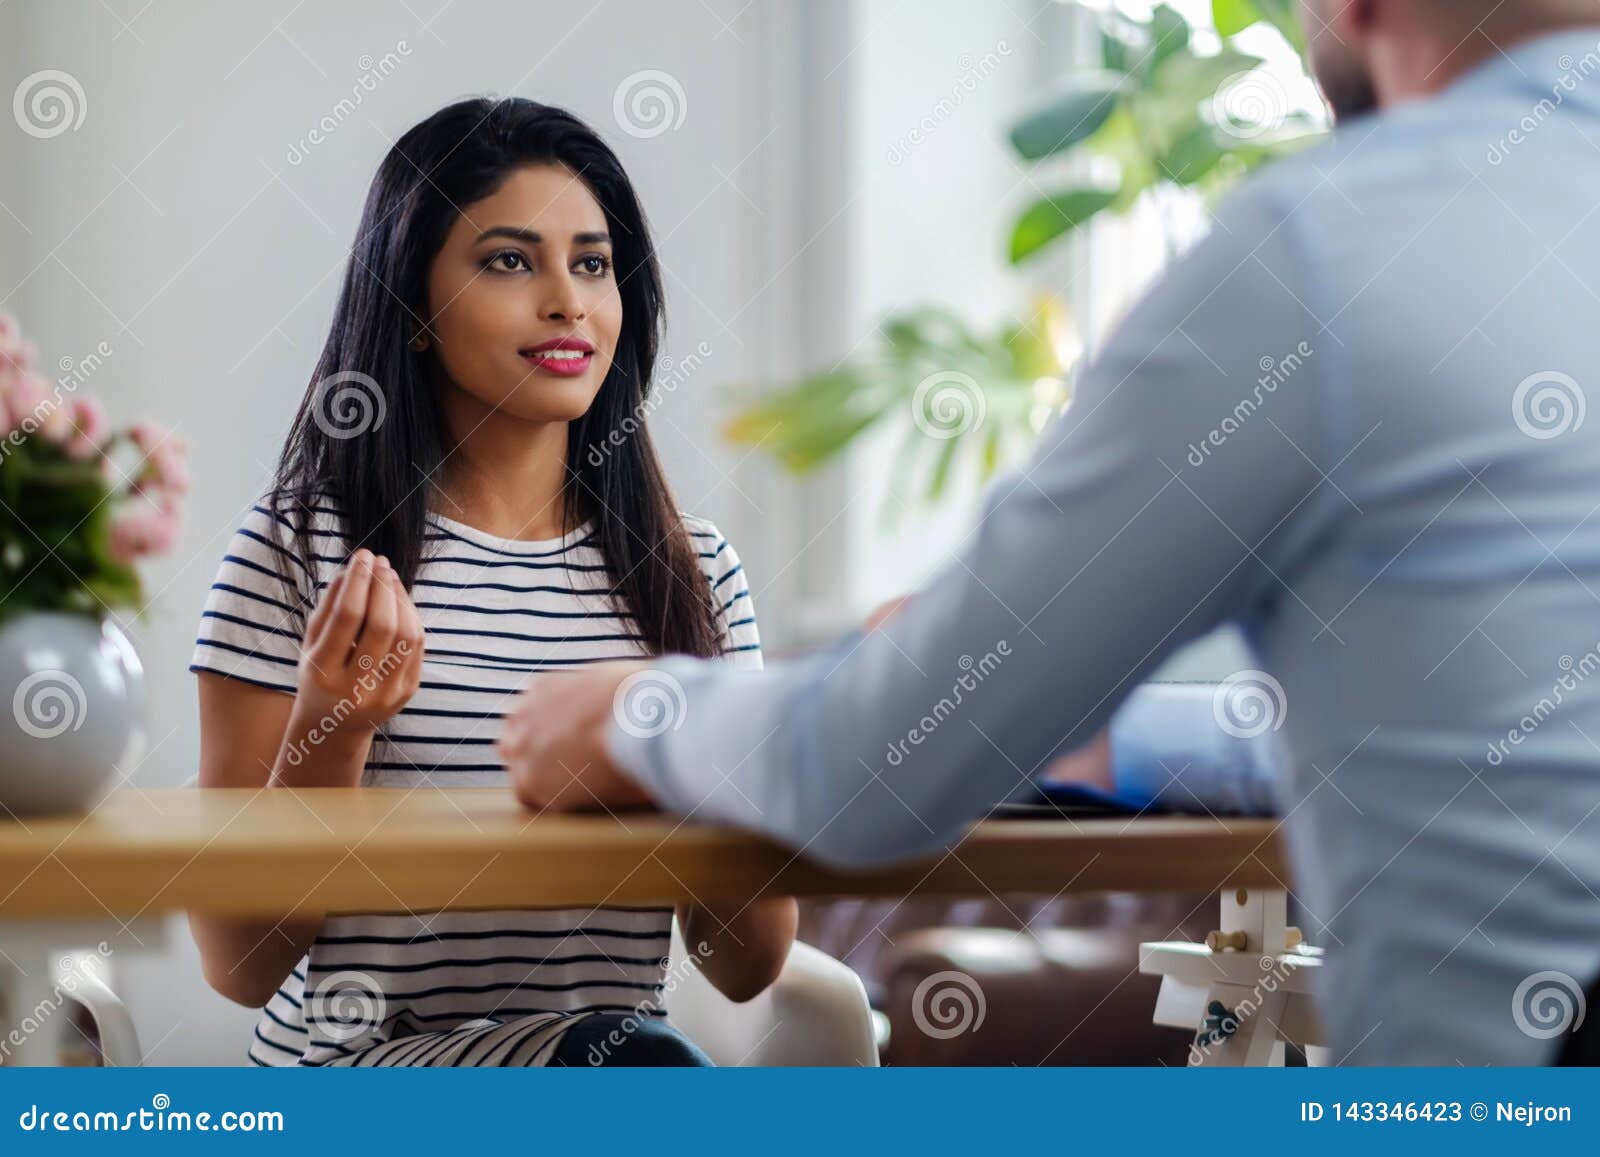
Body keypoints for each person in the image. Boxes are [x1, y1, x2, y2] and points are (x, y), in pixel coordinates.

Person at [495, 1, 1600, 1064]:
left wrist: (636, 712)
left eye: (591, 262)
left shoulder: (1326, 248)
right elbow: (1485, 719)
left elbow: (878, 764)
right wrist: (1128, 739)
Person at [187, 96, 794, 1067]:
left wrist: (698, 757)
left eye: (592, 263)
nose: (568, 302)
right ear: (413, 306)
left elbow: (746, 962)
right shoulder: (298, 547)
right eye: (510, 261)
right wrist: (334, 726)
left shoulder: (696, 575)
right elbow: (240, 962)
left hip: (614, 1071)